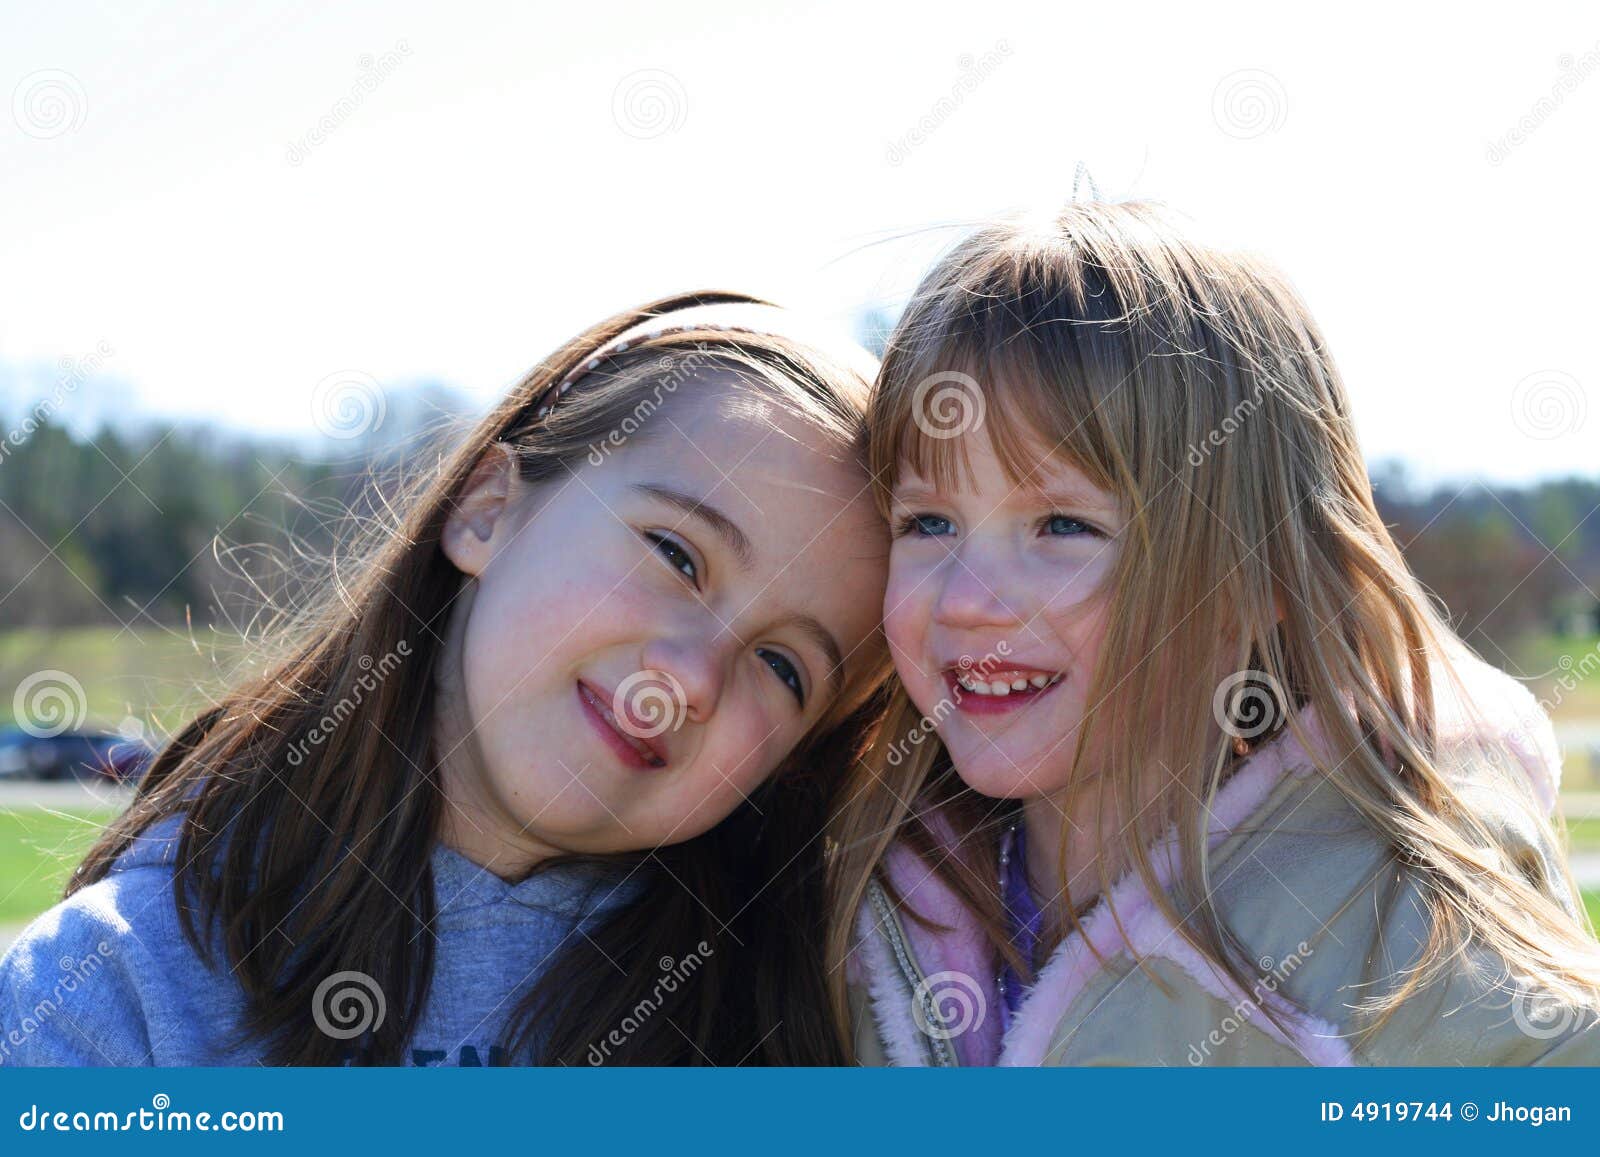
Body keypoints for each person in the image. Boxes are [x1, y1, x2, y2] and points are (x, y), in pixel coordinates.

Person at [1, 291, 891, 1066]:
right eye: (675, 553)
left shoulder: (822, 1033)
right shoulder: (113, 995)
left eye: (784, 666)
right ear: (486, 509)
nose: (693, 675)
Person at [828, 202, 1600, 1065]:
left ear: (1258, 578)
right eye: (928, 522)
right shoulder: (859, 914)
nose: (967, 599)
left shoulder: (1410, 944)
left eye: (1063, 525)